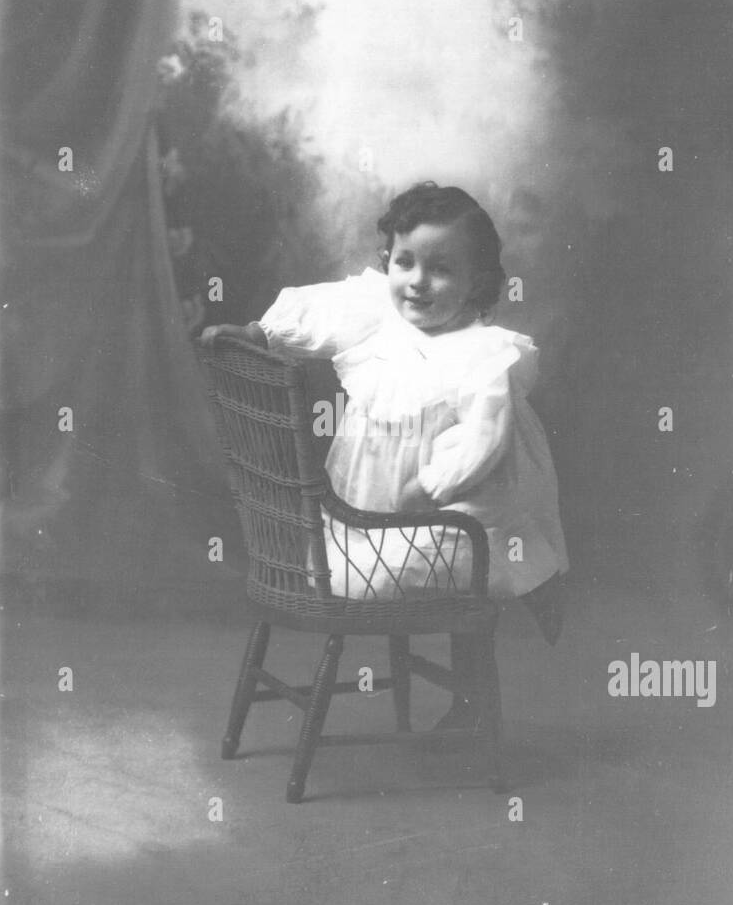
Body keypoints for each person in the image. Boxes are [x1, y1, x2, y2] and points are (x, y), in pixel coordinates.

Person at [202, 183, 568, 707]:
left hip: (458, 501)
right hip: (367, 508)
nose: (418, 282)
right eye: (405, 262)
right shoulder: (378, 314)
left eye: (441, 269)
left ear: (476, 282)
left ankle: (530, 585)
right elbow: (325, 311)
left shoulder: (484, 354)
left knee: (476, 549)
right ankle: (484, 664)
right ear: (388, 261)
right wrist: (262, 333)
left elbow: (483, 438)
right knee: (354, 572)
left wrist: (435, 481)